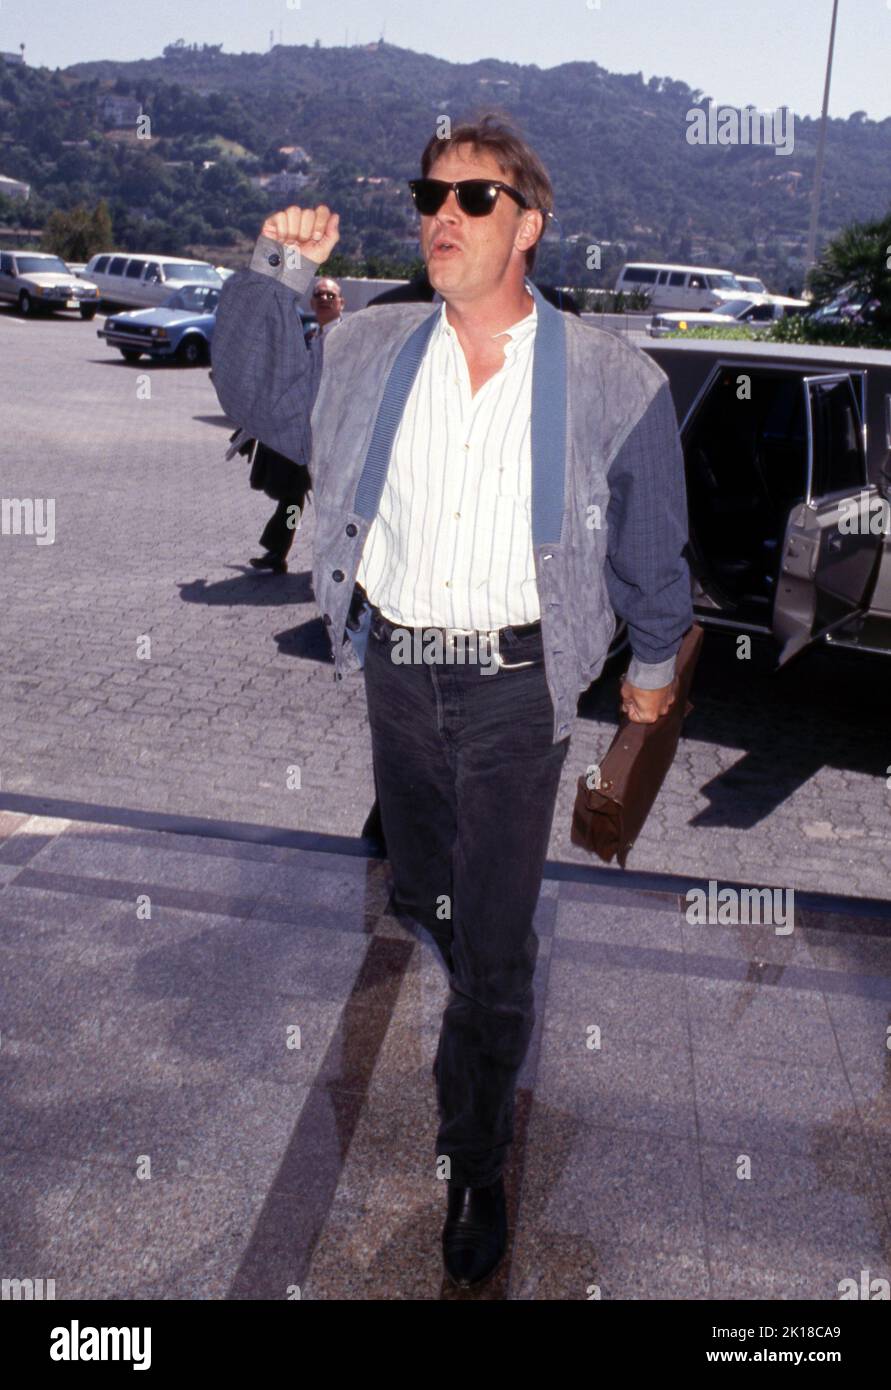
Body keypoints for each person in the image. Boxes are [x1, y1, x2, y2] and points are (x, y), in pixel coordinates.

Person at [211, 114, 692, 1288]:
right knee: (424, 890)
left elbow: (651, 539)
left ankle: (475, 1161)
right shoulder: (373, 349)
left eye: (473, 200)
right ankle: (460, 946)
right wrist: (278, 268)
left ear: (527, 226)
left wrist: (655, 659)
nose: (442, 216)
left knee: (490, 945)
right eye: (432, 195)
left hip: (518, 691)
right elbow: (257, 396)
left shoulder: (610, 377)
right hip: (396, 674)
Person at [248, 278, 344, 574]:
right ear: (312, 304)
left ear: (342, 303)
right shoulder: (313, 335)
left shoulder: (348, 339)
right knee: (293, 495)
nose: (325, 298)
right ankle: (278, 551)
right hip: (308, 436)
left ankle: (345, 562)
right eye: (319, 294)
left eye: (331, 294)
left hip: (337, 439)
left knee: (336, 504)